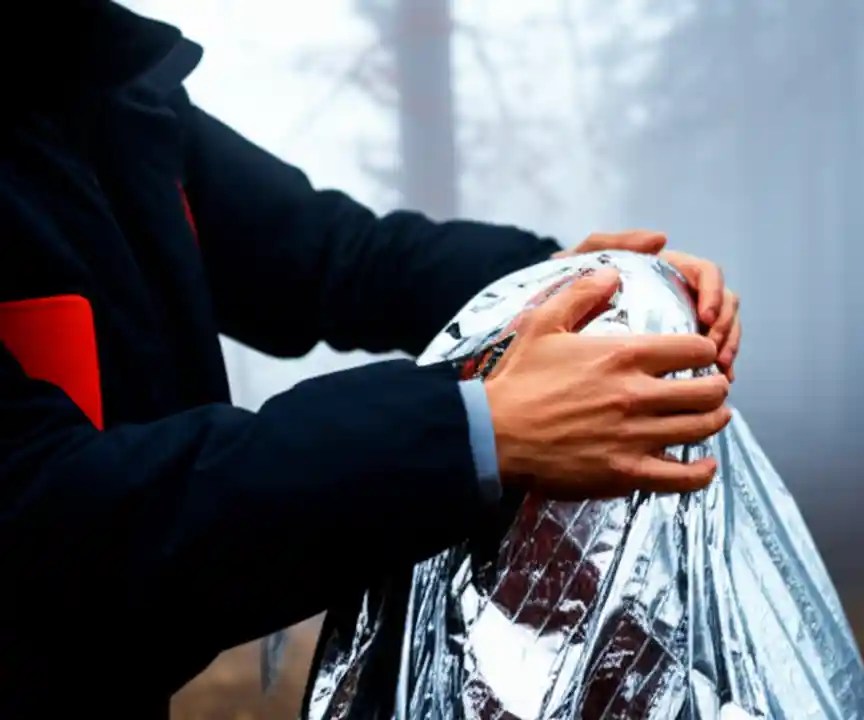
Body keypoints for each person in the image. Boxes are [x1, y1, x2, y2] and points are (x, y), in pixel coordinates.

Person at [0, 1, 741, 715]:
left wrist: (574, 280)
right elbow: (41, 509)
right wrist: (467, 434)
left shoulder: (103, 90)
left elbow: (337, 257)